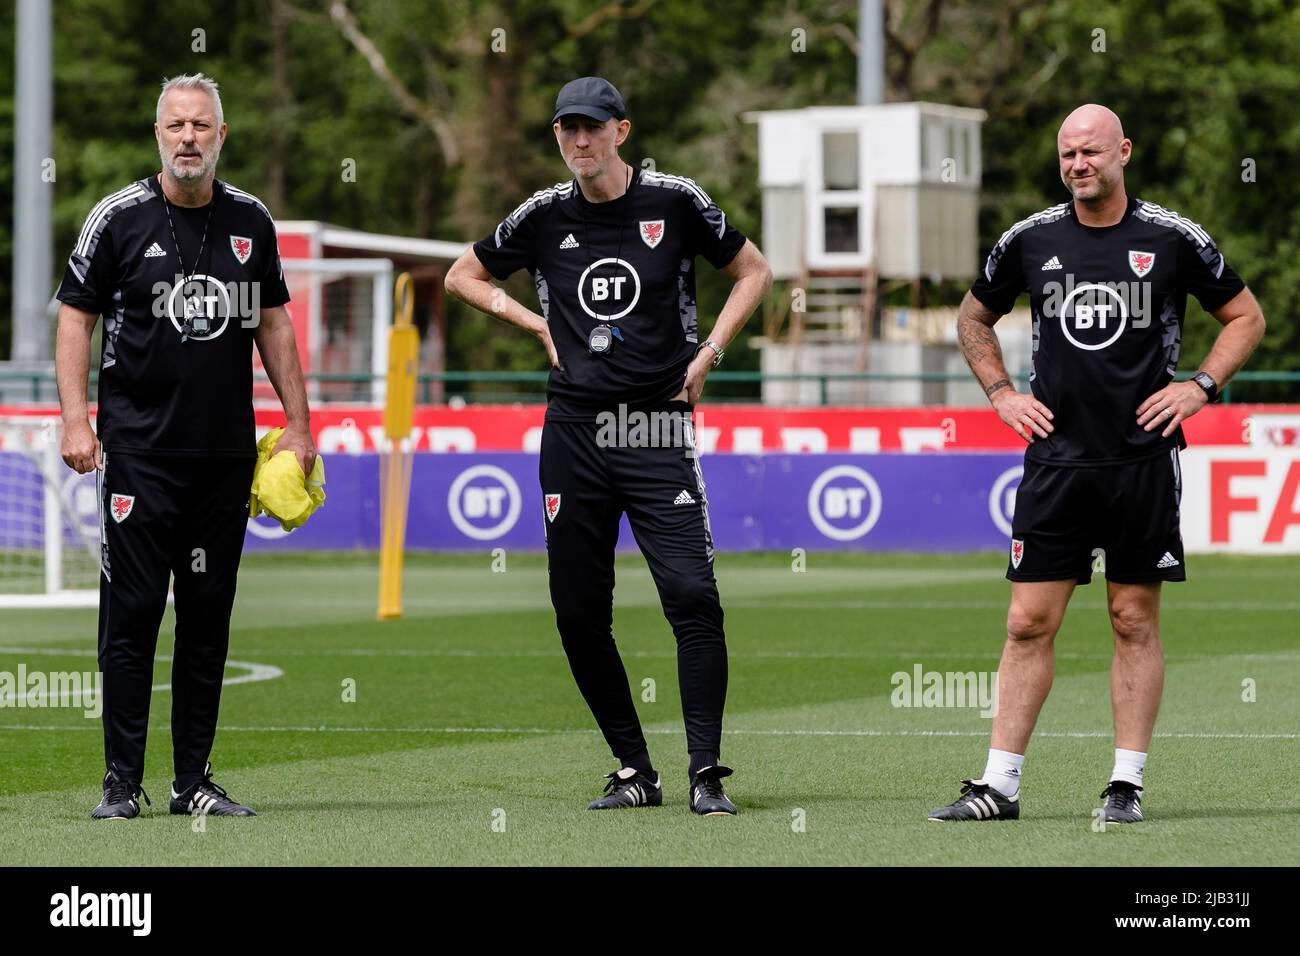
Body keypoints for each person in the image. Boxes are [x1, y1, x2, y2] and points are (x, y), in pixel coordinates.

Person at [445, 76, 772, 815]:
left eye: (592, 127)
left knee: (691, 595)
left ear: (621, 131)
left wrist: (711, 353)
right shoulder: (540, 215)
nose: (579, 141)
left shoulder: (675, 201)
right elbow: (460, 275)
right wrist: (529, 322)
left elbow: (754, 270)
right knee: (578, 611)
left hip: (657, 427)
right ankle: (633, 768)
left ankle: (706, 773)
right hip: (574, 434)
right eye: (567, 129)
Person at [929, 104, 1265, 824]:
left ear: (1124, 153)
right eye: (1067, 154)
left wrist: (1200, 385)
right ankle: (999, 786)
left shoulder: (1172, 239)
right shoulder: (1030, 239)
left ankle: (1126, 785)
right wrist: (1000, 393)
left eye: (1091, 152)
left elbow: (1246, 316)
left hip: (1141, 460)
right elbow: (971, 317)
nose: (1078, 164)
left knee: (1132, 617)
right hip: (1055, 461)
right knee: (1026, 623)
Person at [55, 73, 316, 819]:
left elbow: (274, 324)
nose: (189, 138)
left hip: (223, 461)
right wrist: (78, 420)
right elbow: (75, 317)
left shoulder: (250, 221)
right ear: (158, 135)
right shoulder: (118, 219)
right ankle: (119, 784)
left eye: (201, 126)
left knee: (207, 623)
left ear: (222, 136)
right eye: (176, 126)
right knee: (132, 618)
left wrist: (299, 425)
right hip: (138, 458)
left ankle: (192, 782)